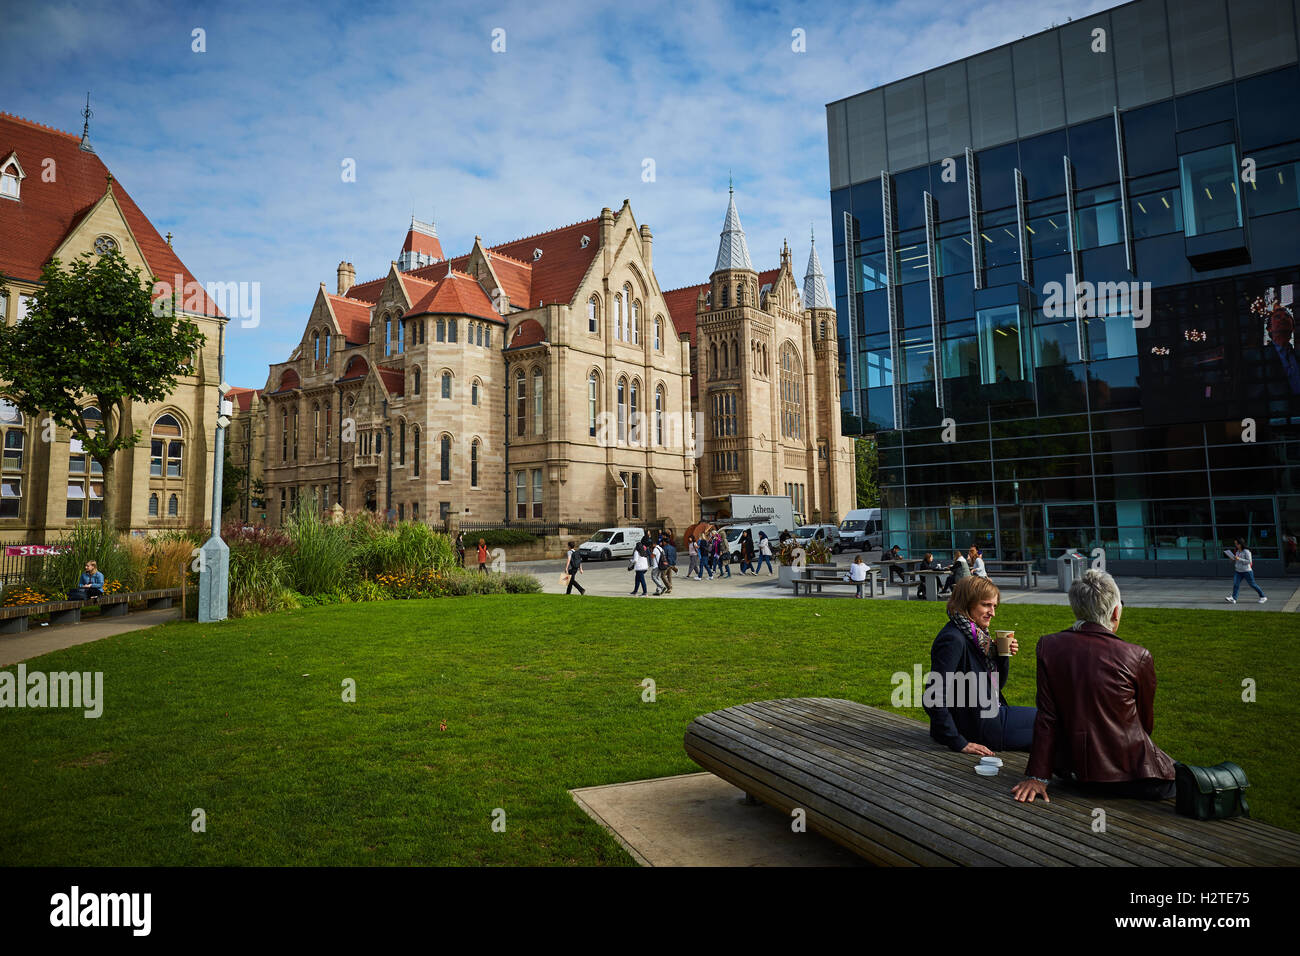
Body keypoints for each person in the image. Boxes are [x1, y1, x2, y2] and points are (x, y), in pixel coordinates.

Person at [1012, 570, 1177, 803]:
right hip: (1130, 776)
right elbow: (1144, 724)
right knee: (1197, 780)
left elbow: (1047, 717)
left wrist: (1038, 775)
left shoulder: (1049, 646)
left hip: (1073, 772)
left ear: (1076, 608)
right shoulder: (1137, 656)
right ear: (1116, 611)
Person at [924, 576, 1035, 755]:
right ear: (966, 603)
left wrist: (1001, 655)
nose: (993, 612)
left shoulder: (977, 637)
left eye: (994, 606)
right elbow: (933, 696)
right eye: (986, 605)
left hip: (990, 714)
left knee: (1056, 724)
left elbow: (996, 687)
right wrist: (958, 742)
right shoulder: (953, 639)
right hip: (980, 726)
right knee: (1052, 724)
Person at [1225, 538, 1267, 604]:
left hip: (1247, 571)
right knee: (1236, 584)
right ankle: (1233, 598)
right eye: (1235, 544)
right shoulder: (1237, 551)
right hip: (1238, 571)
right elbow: (1237, 560)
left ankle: (1263, 597)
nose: (1236, 545)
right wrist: (1233, 559)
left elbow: (1249, 561)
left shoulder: (1246, 551)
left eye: (1237, 544)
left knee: (1252, 584)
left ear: (1241, 544)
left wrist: (1239, 559)